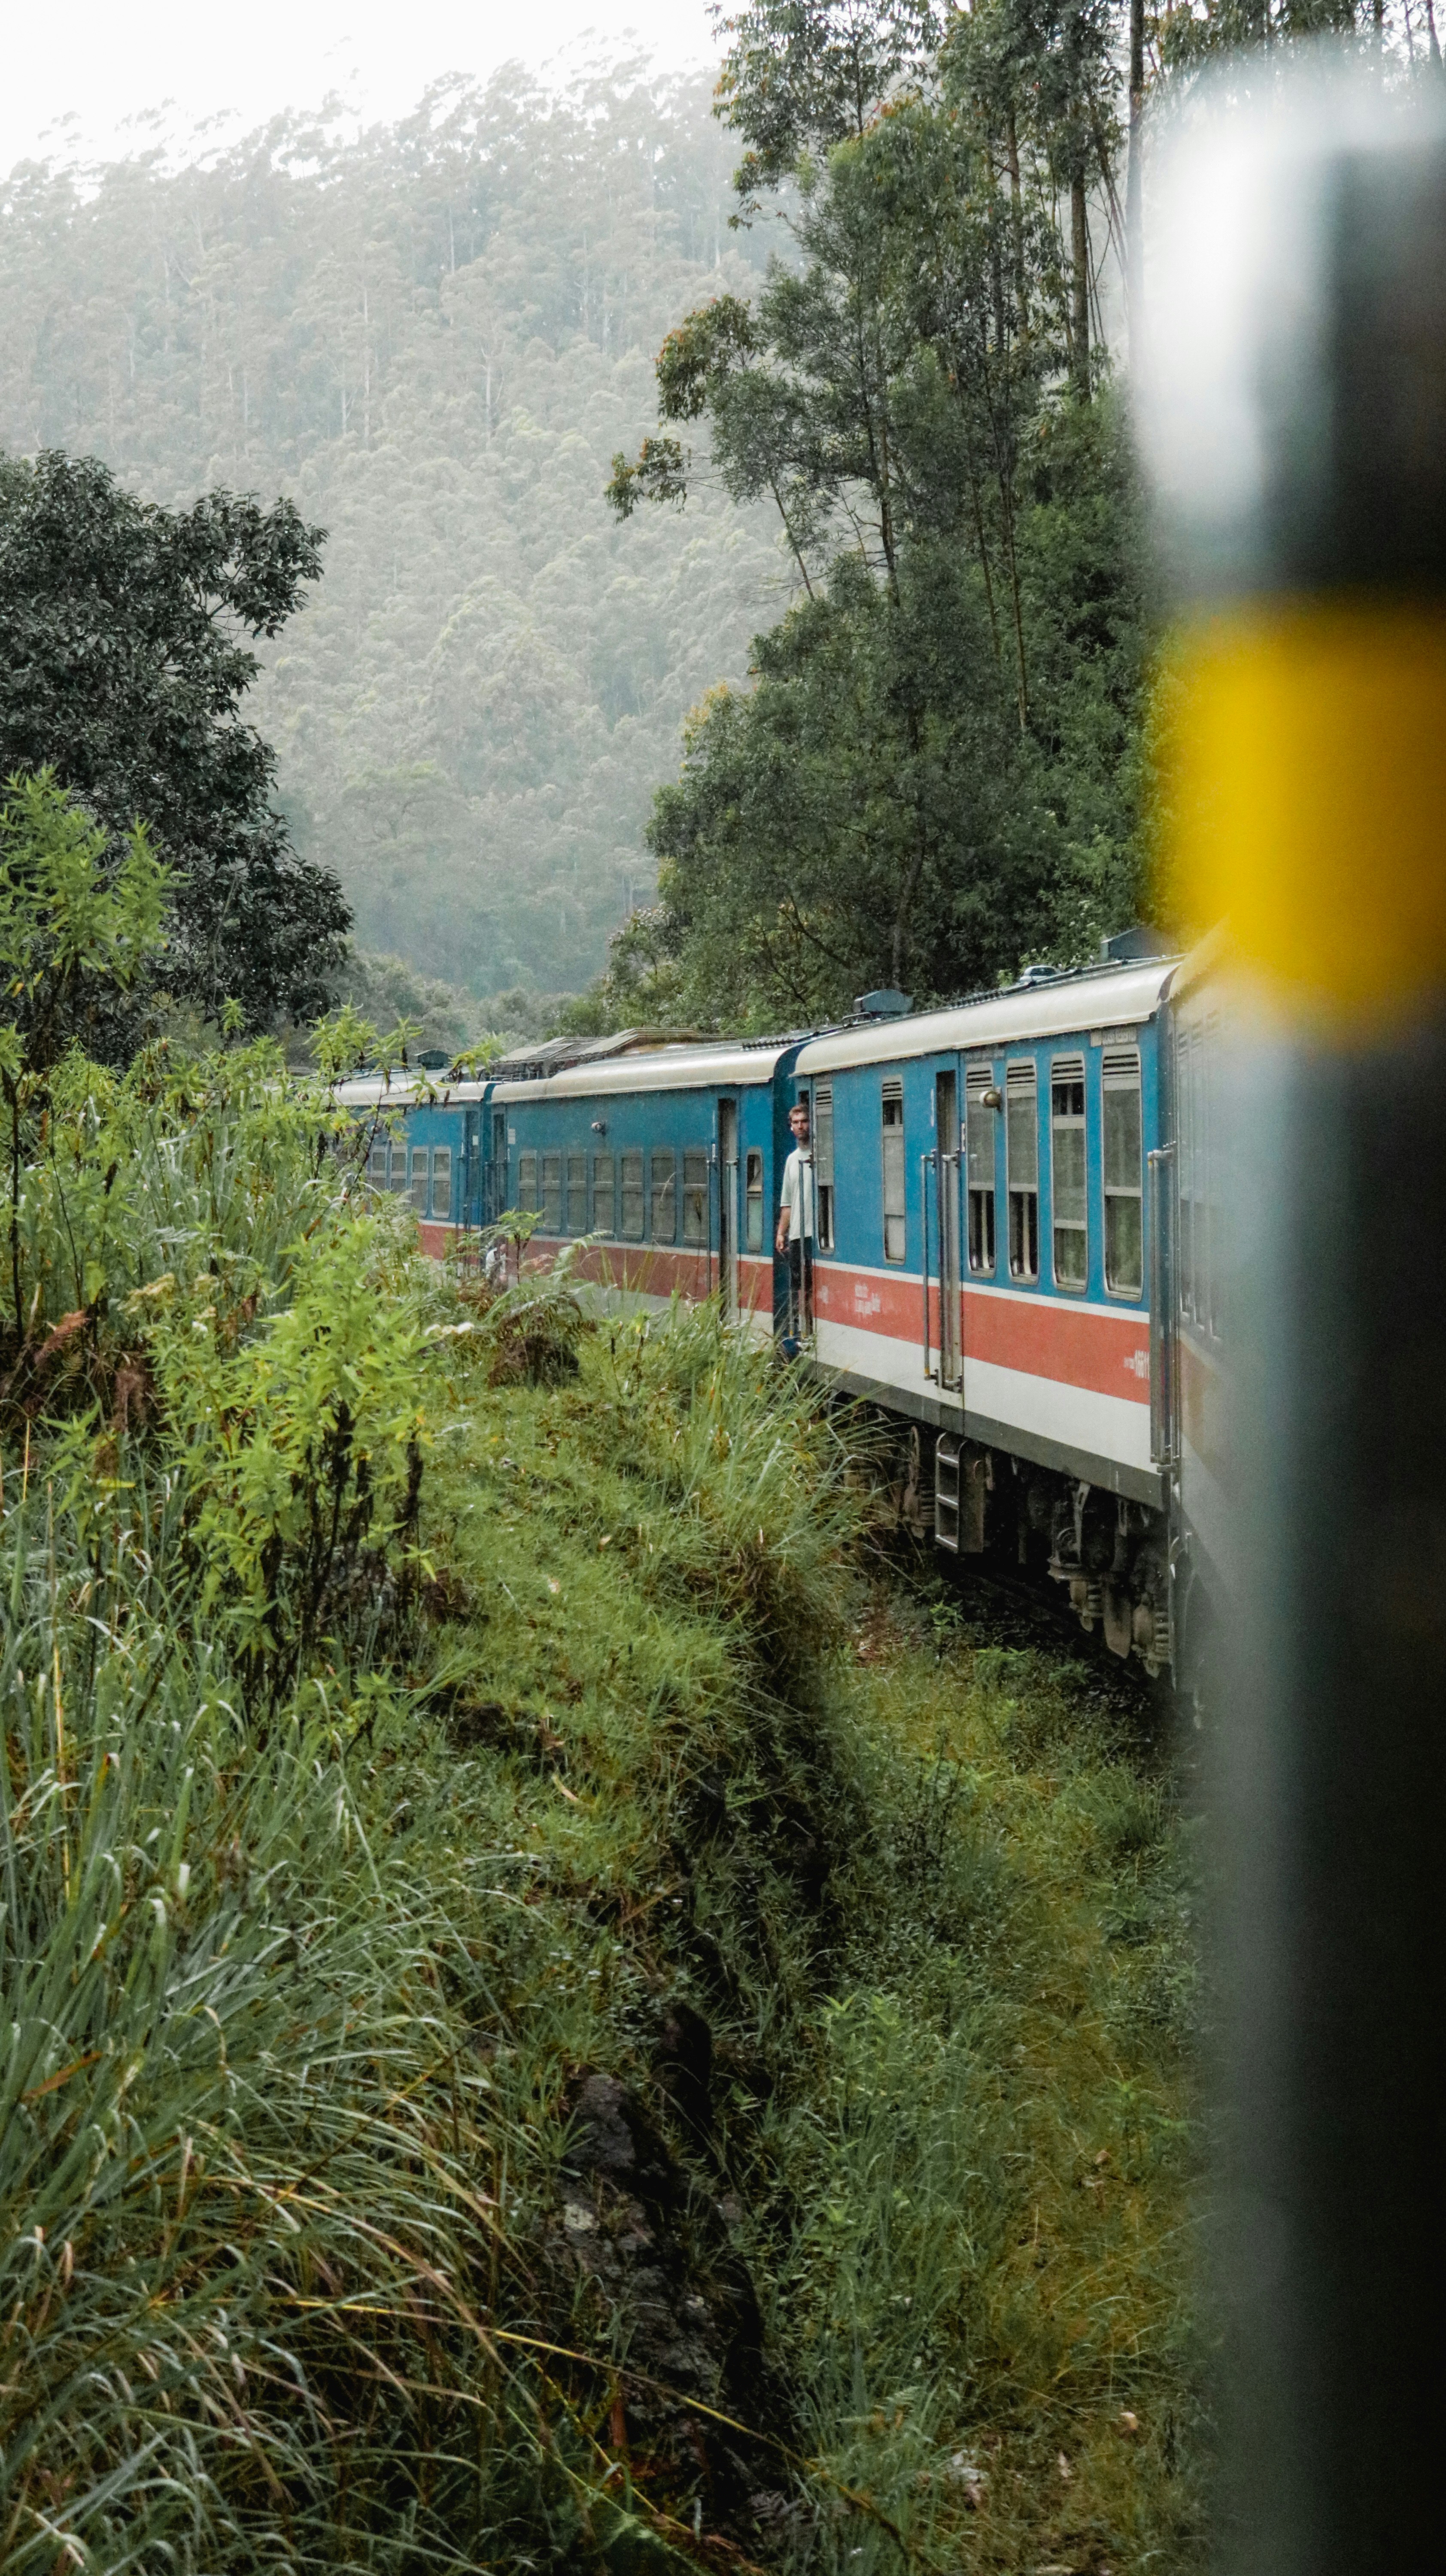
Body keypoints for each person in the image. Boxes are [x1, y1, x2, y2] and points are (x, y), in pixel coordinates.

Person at [776, 1098, 815, 1340]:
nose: (800, 1126)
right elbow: (787, 1203)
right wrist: (782, 1232)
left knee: (810, 1289)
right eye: (796, 1123)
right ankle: (805, 1334)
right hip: (798, 1234)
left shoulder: (820, 1155)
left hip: (814, 1234)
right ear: (790, 1127)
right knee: (801, 1288)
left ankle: (811, 1334)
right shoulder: (792, 1160)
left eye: (804, 1122)